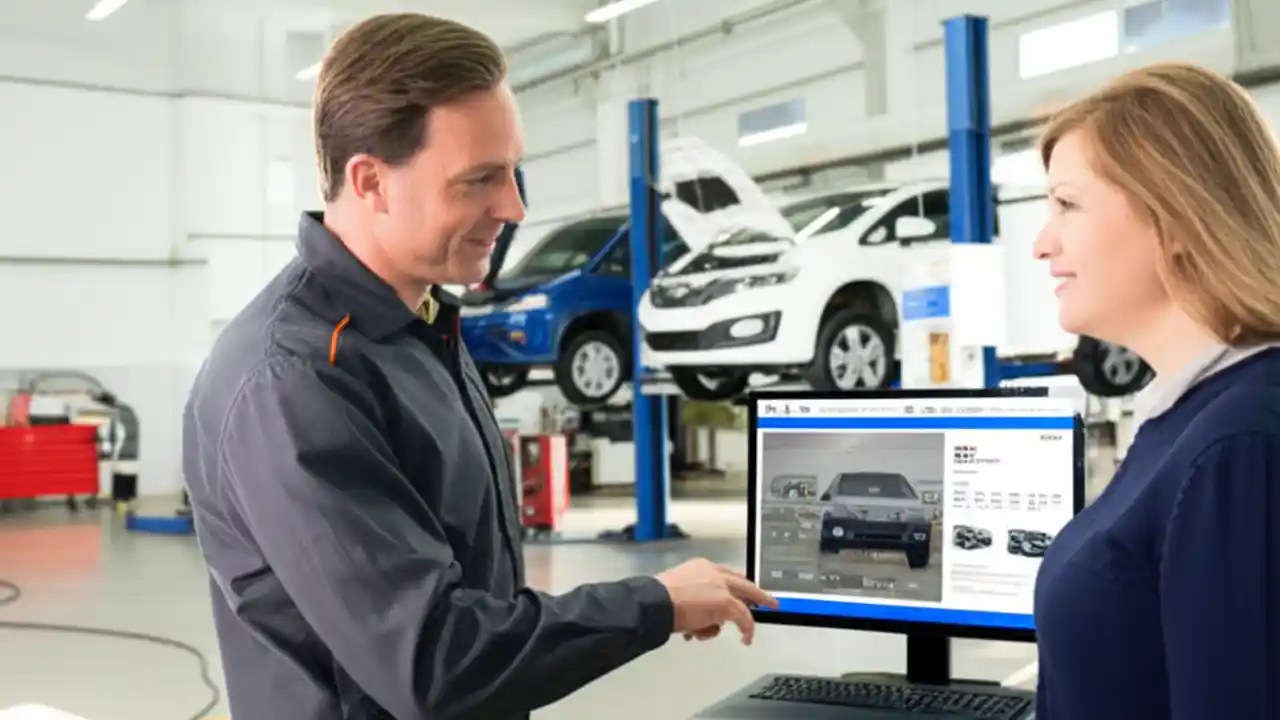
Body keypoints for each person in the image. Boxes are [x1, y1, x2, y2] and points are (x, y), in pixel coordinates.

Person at [181, 13, 776, 720]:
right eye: (479, 180)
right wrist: (652, 604)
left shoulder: (421, 323)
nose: (514, 206)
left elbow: (475, 594)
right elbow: (432, 659)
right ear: (370, 181)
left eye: (514, 172)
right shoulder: (296, 378)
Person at [1031, 61, 1280, 719]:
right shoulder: (1189, 420)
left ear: (1174, 216)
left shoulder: (1241, 445)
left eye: (1067, 204)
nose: (1041, 243)